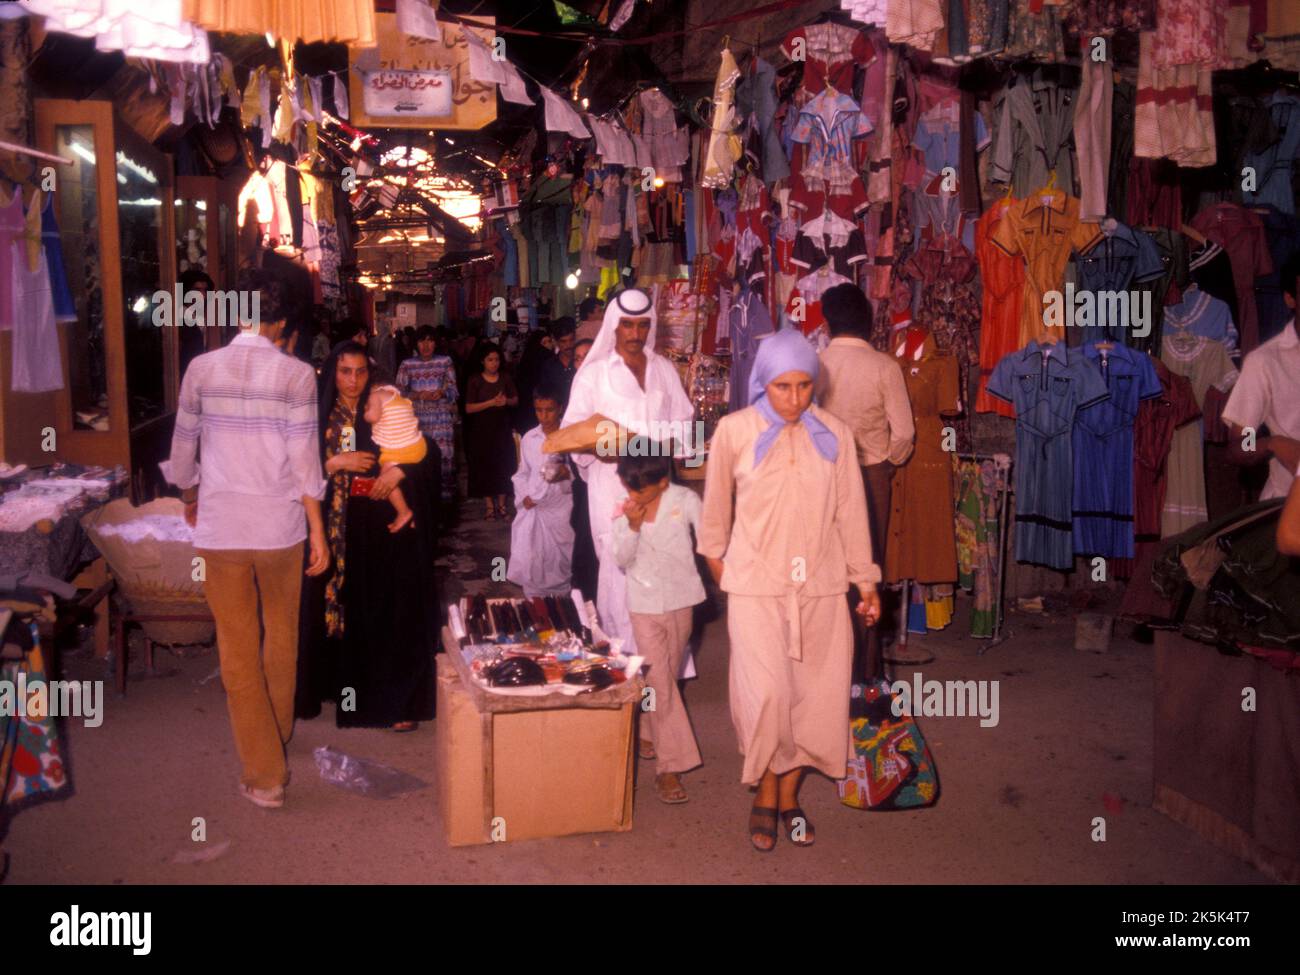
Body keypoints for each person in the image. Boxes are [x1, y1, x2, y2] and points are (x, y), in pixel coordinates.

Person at [697, 328, 882, 851]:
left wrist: (864, 581)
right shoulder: (734, 431)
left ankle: (786, 796)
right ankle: (765, 789)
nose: (795, 399)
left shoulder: (836, 434)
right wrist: (728, 575)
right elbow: (714, 520)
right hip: (756, 589)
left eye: (804, 386)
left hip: (822, 589)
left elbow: (851, 514)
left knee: (813, 700)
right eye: (783, 387)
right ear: (762, 381)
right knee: (769, 698)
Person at [161, 268, 330, 810]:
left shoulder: (201, 370)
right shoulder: (298, 375)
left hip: (223, 528)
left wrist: (189, 495)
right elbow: (306, 461)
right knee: (281, 638)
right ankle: (275, 737)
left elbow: (183, 446)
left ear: (238, 313)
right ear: (281, 322)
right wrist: (319, 530)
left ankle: (264, 775)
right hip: (280, 529)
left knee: (237, 650)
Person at [295, 342, 441, 731]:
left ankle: (395, 702)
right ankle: (341, 689)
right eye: (345, 371)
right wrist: (333, 463)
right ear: (332, 373)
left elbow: (427, 451)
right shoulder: (319, 414)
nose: (353, 380)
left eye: (360, 371)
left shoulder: (383, 406)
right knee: (338, 610)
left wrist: (402, 473)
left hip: (379, 530)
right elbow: (292, 467)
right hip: (333, 528)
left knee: (388, 612)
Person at [561, 288, 695, 663]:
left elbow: (685, 425)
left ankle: (663, 673)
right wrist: (618, 450)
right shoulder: (593, 377)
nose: (635, 334)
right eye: (627, 326)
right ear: (613, 327)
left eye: (642, 325)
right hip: (611, 489)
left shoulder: (664, 370)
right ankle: (626, 668)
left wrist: (679, 446)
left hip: (659, 487)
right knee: (620, 574)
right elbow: (571, 436)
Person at [815, 284, 914, 679]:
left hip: (821, 477)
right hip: (872, 478)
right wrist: (888, 462)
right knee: (867, 571)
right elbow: (904, 433)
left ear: (827, 323)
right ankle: (866, 672)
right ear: (869, 323)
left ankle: (826, 669)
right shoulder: (885, 367)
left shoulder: (814, 364)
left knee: (823, 570)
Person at [611, 449, 706, 805]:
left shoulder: (684, 499)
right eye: (629, 489)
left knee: (669, 676)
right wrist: (632, 527)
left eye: (642, 490)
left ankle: (648, 729)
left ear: (663, 482)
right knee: (660, 680)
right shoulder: (626, 511)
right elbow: (621, 558)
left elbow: (711, 535)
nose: (634, 496)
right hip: (644, 606)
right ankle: (670, 768)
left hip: (682, 600)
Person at [1224, 254, 1300, 500]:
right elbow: (1239, 446)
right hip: (1286, 511)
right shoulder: (1265, 362)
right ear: (1291, 299)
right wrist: (1271, 443)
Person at [506, 383, 574, 597]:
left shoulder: (571, 436)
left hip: (561, 508)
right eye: (539, 410)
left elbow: (579, 475)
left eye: (550, 410)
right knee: (532, 556)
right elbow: (522, 473)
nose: (544, 416)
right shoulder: (529, 438)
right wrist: (525, 495)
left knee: (560, 559)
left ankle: (564, 603)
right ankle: (534, 605)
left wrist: (565, 474)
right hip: (532, 508)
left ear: (560, 408)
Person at [396, 325, 459, 507]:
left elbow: (454, 390)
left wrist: (442, 393)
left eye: (430, 340)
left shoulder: (445, 362)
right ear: (416, 343)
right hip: (417, 421)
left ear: (436, 343)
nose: (426, 345)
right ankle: (421, 506)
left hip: (441, 420)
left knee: (444, 461)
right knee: (420, 461)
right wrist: (417, 395)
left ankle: (444, 506)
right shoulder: (407, 365)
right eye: (422, 340)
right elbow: (398, 393)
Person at [464, 342, 518, 519]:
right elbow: (469, 408)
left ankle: (502, 506)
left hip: (502, 428)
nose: (494, 363)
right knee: (485, 467)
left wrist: (506, 402)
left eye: (496, 360)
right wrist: (490, 403)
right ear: (482, 361)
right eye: (490, 360)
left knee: (503, 465)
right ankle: (489, 506)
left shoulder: (505, 378)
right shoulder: (475, 380)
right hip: (482, 430)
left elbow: (515, 400)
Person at [364, 384, 426, 532]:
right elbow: (348, 450)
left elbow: (429, 456)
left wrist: (400, 471)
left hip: (395, 485)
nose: (353, 380)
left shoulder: (376, 400)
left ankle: (406, 513)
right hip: (368, 505)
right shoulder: (345, 418)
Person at [568, 336, 599, 601]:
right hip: (584, 473)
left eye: (588, 355)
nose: (583, 362)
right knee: (584, 532)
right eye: (578, 358)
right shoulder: (576, 388)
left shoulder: (604, 385)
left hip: (611, 472)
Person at [512, 329, 558, 435]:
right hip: (530, 407)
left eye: (549, 341)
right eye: (543, 343)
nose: (547, 345)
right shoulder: (532, 362)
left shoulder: (552, 361)